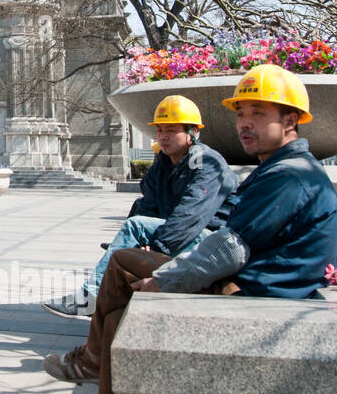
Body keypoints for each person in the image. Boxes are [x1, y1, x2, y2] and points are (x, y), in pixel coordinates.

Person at [45, 65, 337, 394]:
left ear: (291, 121)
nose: (245, 124)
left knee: (121, 286)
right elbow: (148, 207)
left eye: (258, 113)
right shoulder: (274, 168)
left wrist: (165, 279)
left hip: (256, 291)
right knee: (119, 289)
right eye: (240, 114)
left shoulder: (288, 176)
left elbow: (226, 248)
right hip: (247, 281)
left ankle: (92, 369)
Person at [43, 94, 239, 318]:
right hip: (176, 235)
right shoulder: (163, 163)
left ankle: (91, 297)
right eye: (160, 130)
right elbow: (148, 205)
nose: (163, 137)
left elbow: (190, 215)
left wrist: (157, 247)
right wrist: (144, 243)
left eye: (171, 130)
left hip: (213, 241)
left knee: (135, 227)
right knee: (134, 230)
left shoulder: (206, 162)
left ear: (193, 132)